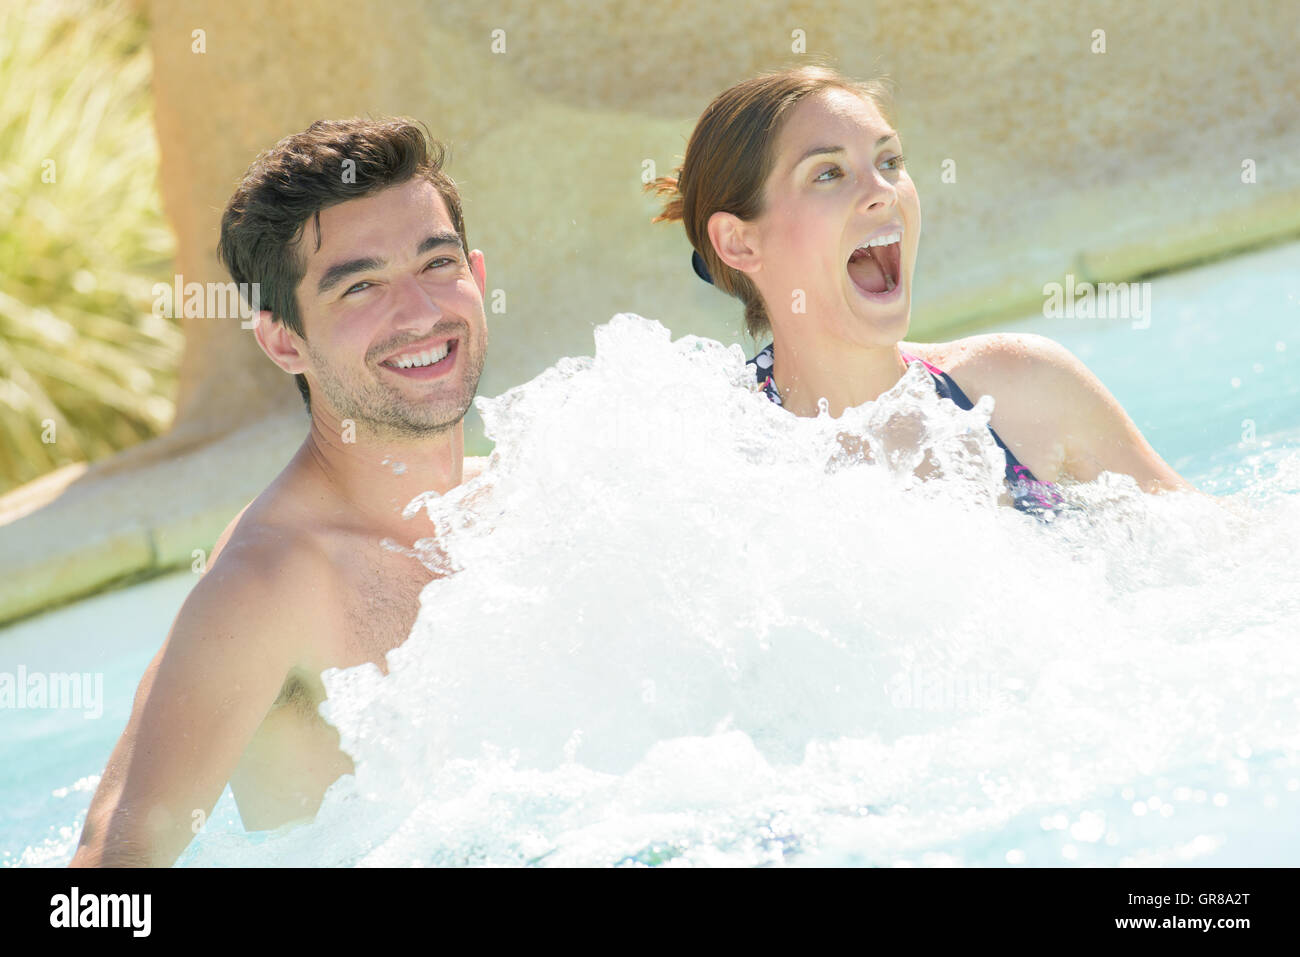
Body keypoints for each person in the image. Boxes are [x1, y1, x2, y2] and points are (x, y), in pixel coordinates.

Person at [71, 118, 490, 866]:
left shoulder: (532, 503)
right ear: (282, 341)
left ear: (479, 277)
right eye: (361, 286)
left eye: (437, 264)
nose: (421, 313)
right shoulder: (266, 589)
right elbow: (106, 873)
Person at [649, 66, 1194, 513]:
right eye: (828, 173)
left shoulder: (1020, 389)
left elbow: (1221, 556)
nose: (882, 191)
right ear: (739, 242)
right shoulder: (716, 462)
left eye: (890, 162)